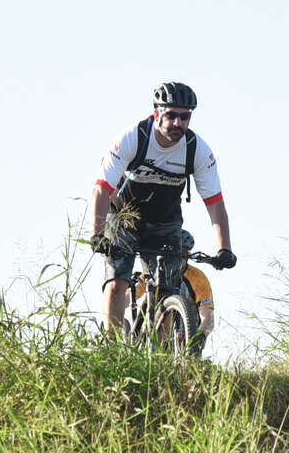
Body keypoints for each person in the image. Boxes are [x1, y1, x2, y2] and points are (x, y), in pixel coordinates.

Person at [90, 81, 236, 337]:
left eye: (185, 117)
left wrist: (225, 249)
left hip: (165, 221)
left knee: (167, 291)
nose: (178, 123)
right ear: (157, 113)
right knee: (117, 282)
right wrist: (98, 234)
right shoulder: (134, 137)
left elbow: (215, 203)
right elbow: (102, 189)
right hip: (125, 217)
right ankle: (110, 349)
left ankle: (160, 358)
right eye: (171, 115)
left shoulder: (197, 150)